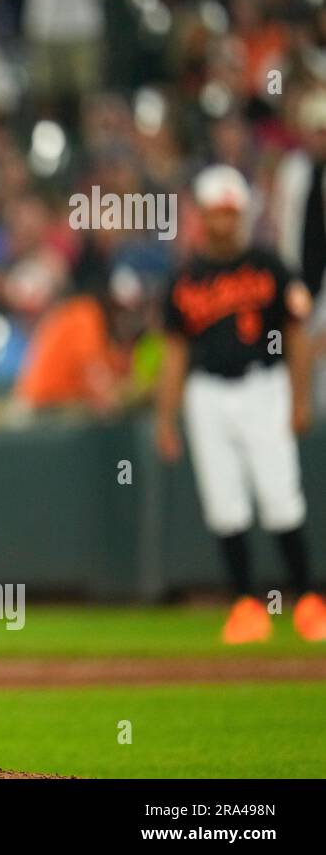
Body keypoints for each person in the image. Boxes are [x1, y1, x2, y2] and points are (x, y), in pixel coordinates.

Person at [155, 165, 326, 644]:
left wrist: (299, 396)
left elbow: (294, 336)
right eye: (217, 213)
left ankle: (309, 601)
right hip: (206, 393)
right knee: (225, 505)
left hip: (263, 386)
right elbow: (174, 353)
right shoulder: (186, 278)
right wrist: (165, 419)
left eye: (231, 213)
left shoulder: (269, 265)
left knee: (281, 498)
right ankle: (247, 606)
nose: (224, 222)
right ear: (203, 216)